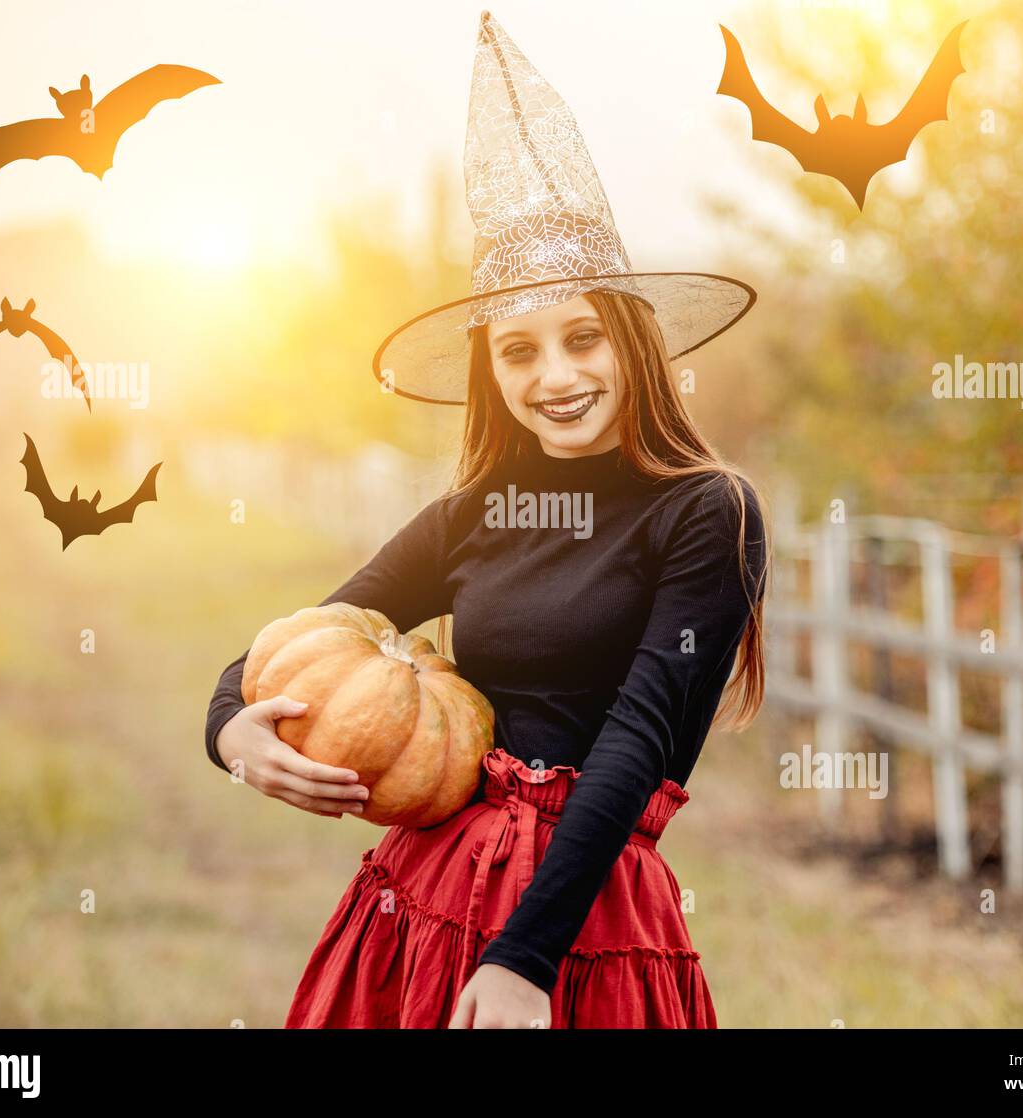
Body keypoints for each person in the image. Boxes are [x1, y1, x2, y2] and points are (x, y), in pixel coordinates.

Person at [204, 11, 769, 1029]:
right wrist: (227, 728)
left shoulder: (703, 513)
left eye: (582, 337)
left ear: (633, 344)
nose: (555, 375)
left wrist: (525, 958)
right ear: (491, 374)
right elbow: (302, 642)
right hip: (419, 898)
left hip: (577, 925)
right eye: (518, 352)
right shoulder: (472, 516)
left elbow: (636, 741)